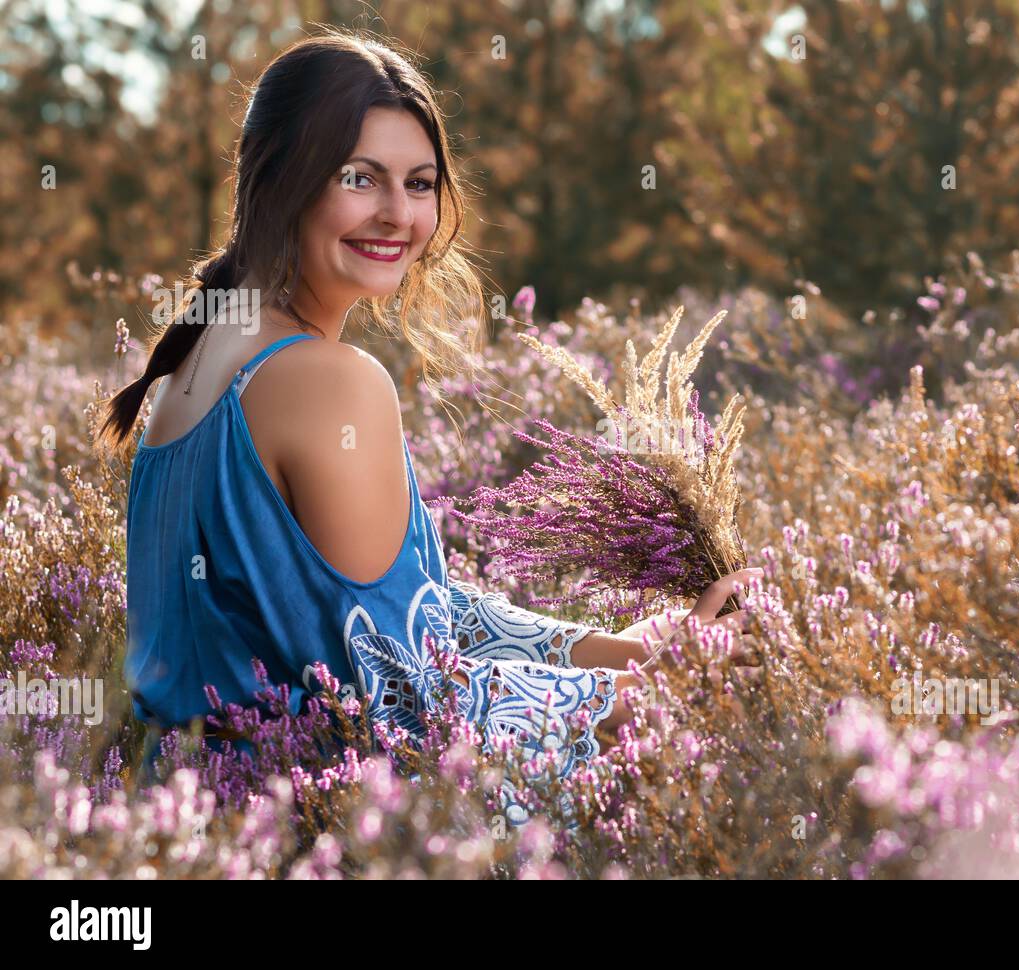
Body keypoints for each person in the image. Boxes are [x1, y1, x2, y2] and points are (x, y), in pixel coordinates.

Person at [94, 30, 757, 827]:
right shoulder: (328, 382)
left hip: (180, 828)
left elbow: (415, 617)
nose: (397, 214)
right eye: (358, 178)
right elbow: (417, 711)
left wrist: (625, 649)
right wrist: (650, 695)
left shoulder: (189, 362)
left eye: (419, 183)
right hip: (316, 837)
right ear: (281, 181)